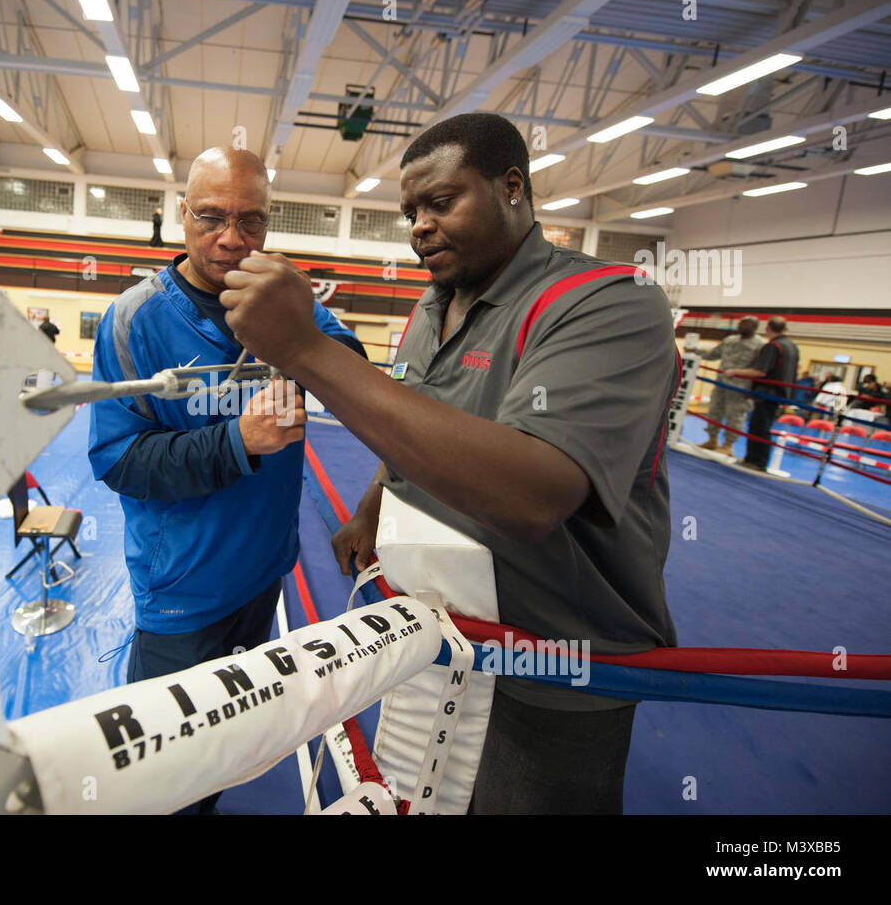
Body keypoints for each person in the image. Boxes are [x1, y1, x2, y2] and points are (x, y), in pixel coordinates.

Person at [219, 113, 681, 814]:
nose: (420, 226)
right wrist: (376, 502)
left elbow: (534, 495)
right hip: (438, 628)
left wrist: (307, 349)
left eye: (441, 202)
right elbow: (419, 416)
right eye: (410, 212)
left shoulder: (607, 301)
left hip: (550, 665)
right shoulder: (432, 307)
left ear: (512, 187)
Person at [87, 147, 365, 814]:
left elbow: (351, 365)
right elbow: (119, 460)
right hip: (182, 601)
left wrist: (299, 337)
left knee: (223, 753)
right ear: (180, 214)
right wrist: (236, 441)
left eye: (252, 221)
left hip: (262, 581)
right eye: (210, 216)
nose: (231, 238)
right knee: (163, 778)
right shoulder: (133, 320)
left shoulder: (279, 299)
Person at [723, 316, 800, 471]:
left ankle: (756, 461)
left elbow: (760, 371)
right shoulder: (792, 346)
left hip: (766, 393)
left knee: (759, 427)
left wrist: (734, 371)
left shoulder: (773, 346)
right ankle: (756, 460)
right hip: (780, 392)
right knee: (763, 426)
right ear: (786, 329)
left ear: (767, 329)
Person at [694, 316, 765, 453]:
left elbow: (760, 368)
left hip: (742, 388)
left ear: (755, 327)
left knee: (735, 415)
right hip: (721, 383)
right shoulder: (730, 340)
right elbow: (713, 354)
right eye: (741, 323)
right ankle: (712, 439)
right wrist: (693, 350)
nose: (743, 326)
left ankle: (728, 445)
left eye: (748, 324)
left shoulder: (761, 344)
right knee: (714, 410)